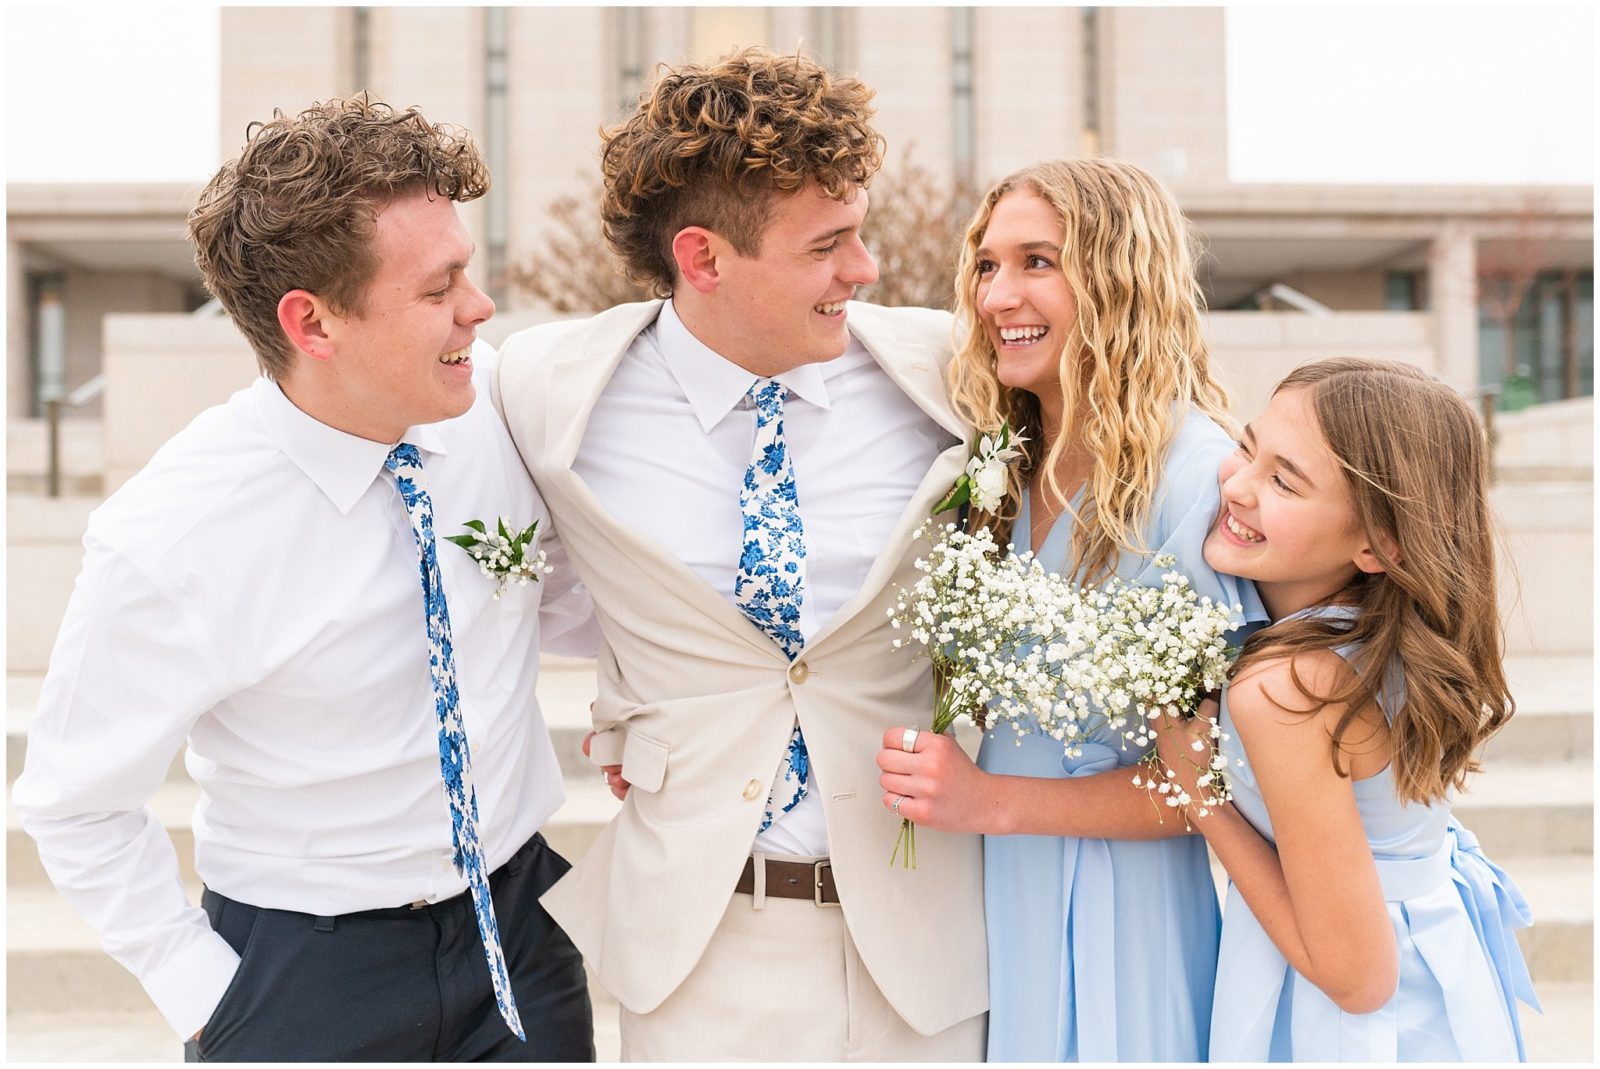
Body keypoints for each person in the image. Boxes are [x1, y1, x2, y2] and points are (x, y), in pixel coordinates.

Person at [13, 97, 598, 1062]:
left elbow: (562, 592)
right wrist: (213, 1001)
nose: (479, 308)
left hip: (521, 931)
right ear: (313, 322)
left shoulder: (495, 400)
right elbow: (74, 801)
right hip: (307, 978)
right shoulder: (173, 534)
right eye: (439, 287)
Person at [495, 47, 986, 1061]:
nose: (865, 268)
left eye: (860, 232)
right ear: (704, 258)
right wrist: (635, 698)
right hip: (697, 951)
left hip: (926, 945)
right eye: (827, 245)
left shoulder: (950, 369)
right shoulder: (545, 389)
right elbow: (516, 583)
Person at [875, 157, 1269, 1061]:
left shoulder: (1193, 482)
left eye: (1038, 262)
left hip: (1127, 914)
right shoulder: (1001, 466)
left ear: (1120, 279)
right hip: (1007, 898)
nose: (996, 296)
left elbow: (1224, 785)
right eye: (986, 265)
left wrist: (989, 799)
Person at [1153, 357, 1540, 1060]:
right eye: (1246, 448)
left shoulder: (1288, 690)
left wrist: (1200, 796)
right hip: (1440, 970)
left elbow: (1359, 981)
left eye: (1283, 480)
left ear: (1379, 544)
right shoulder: (1374, 637)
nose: (1235, 485)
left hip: (1355, 1022)